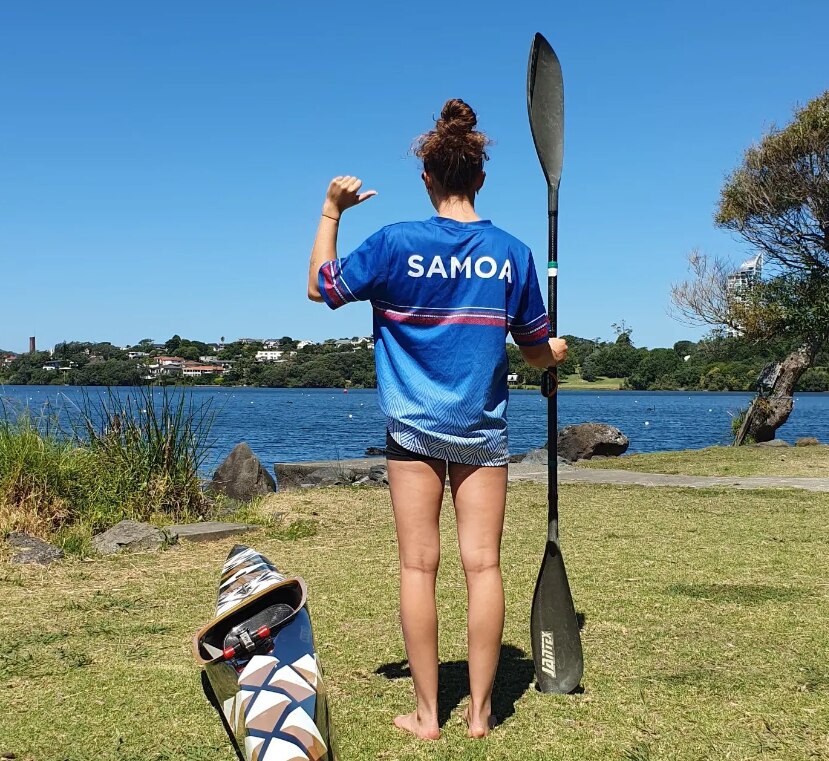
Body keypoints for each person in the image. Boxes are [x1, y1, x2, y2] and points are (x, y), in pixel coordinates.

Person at [307, 99, 567, 740]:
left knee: (418, 568)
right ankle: (480, 713)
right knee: (484, 567)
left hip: (412, 430)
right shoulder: (511, 253)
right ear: (480, 177)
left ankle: (428, 716)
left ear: (427, 178)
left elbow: (321, 287)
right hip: (481, 430)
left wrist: (332, 211)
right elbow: (536, 350)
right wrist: (553, 354)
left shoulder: (395, 243)